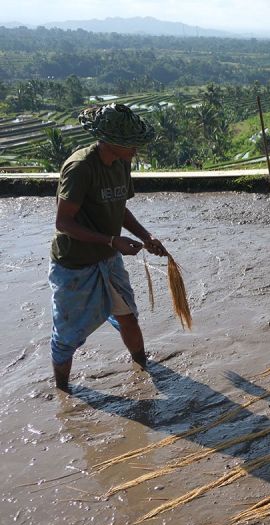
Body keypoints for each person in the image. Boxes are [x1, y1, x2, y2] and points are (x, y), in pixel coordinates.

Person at [49, 103, 168, 392]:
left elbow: (120, 207)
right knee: (66, 336)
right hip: (75, 264)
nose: (135, 151)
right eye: (131, 145)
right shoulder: (80, 168)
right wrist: (111, 240)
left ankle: (144, 367)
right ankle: (63, 391)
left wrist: (146, 235)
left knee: (127, 315)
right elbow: (64, 222)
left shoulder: (121, 162)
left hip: (109, 259)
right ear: (112, 142)